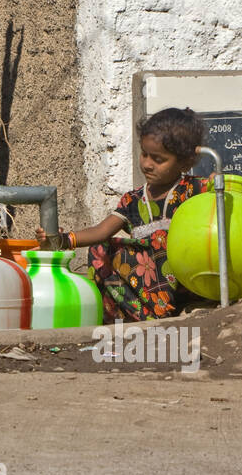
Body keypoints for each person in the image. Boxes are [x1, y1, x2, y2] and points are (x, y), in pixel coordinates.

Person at [36, 108, 210, 322]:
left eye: (158, 159)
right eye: (144, 154)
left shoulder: (196, 190)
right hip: (147, 289)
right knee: (100, 250)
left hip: (188, 282)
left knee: (162, 239)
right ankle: (130, 317)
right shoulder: (133, 200)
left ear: (185, 162)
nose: (147, 164)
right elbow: (101, 231)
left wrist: (221, 186)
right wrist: (62, 240)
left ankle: (182, 307)